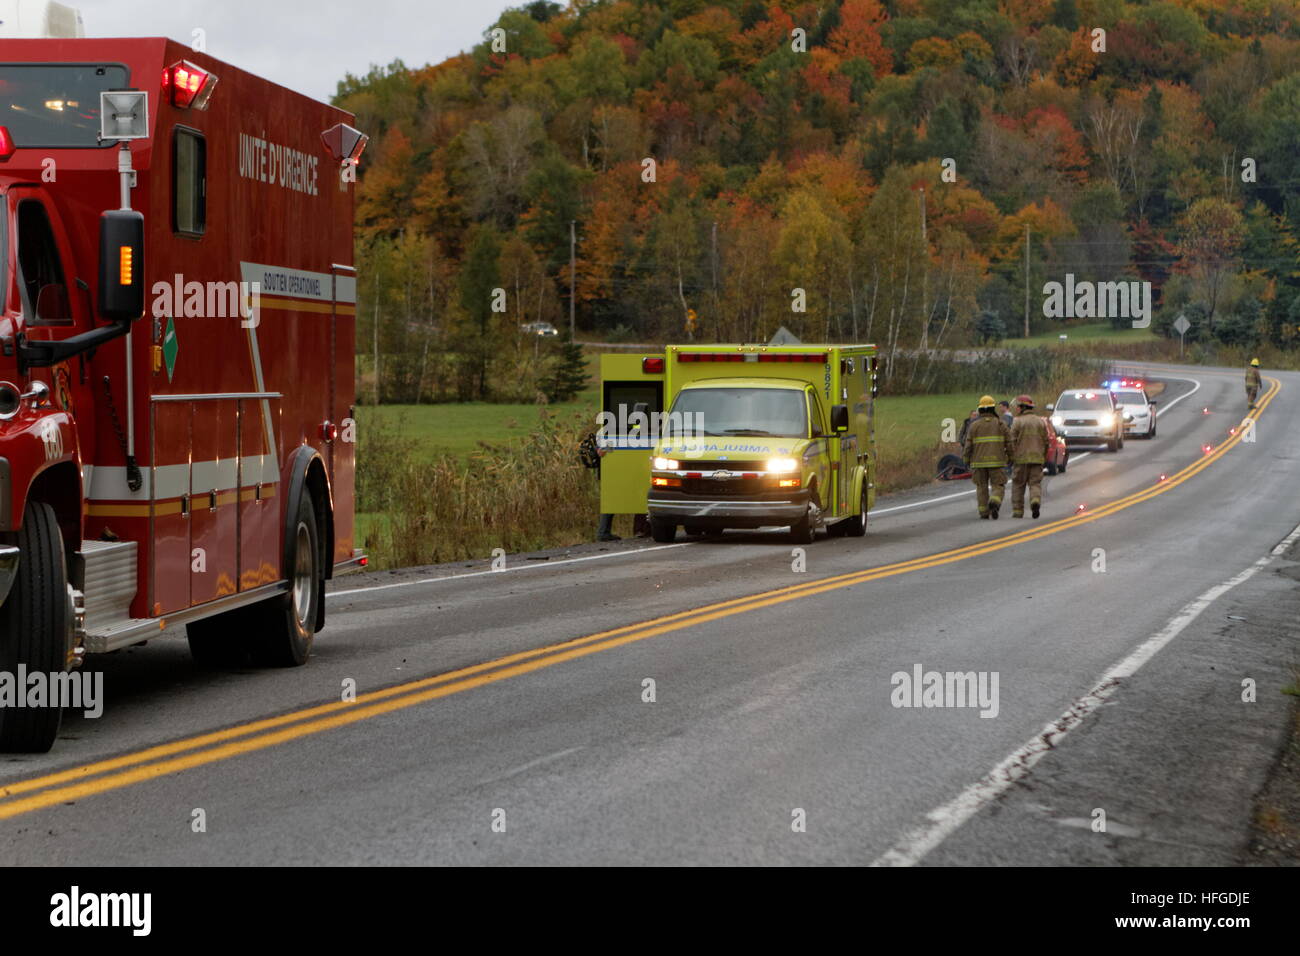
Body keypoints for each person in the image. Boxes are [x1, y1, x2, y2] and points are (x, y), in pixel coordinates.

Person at [963, 395, 1012, 519]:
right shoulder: (1001, 424)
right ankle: (995, 501)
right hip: (997, 462)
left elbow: (968, 445)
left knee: (981, 487)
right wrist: (1011, 457)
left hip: (978, 463)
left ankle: (984, 512)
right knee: (998, 485)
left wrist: (966, 460)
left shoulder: (974, 426)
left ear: (980, 409)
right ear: (992, 408)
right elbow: (1010, 443)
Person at [1009, 394, 1049, 519]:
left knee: (1018, 485)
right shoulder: (1040, 422)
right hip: (1037, 459)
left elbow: (1012, 441)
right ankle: (1035, 501)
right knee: (1035, 484)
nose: (1016, 409)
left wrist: (1011, 457)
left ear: (1022, 407)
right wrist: (1043, 456)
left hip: (1020, 460)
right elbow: (1046, 441)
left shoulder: (1017, 422)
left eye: (1018, 407)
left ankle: (1017, 511)